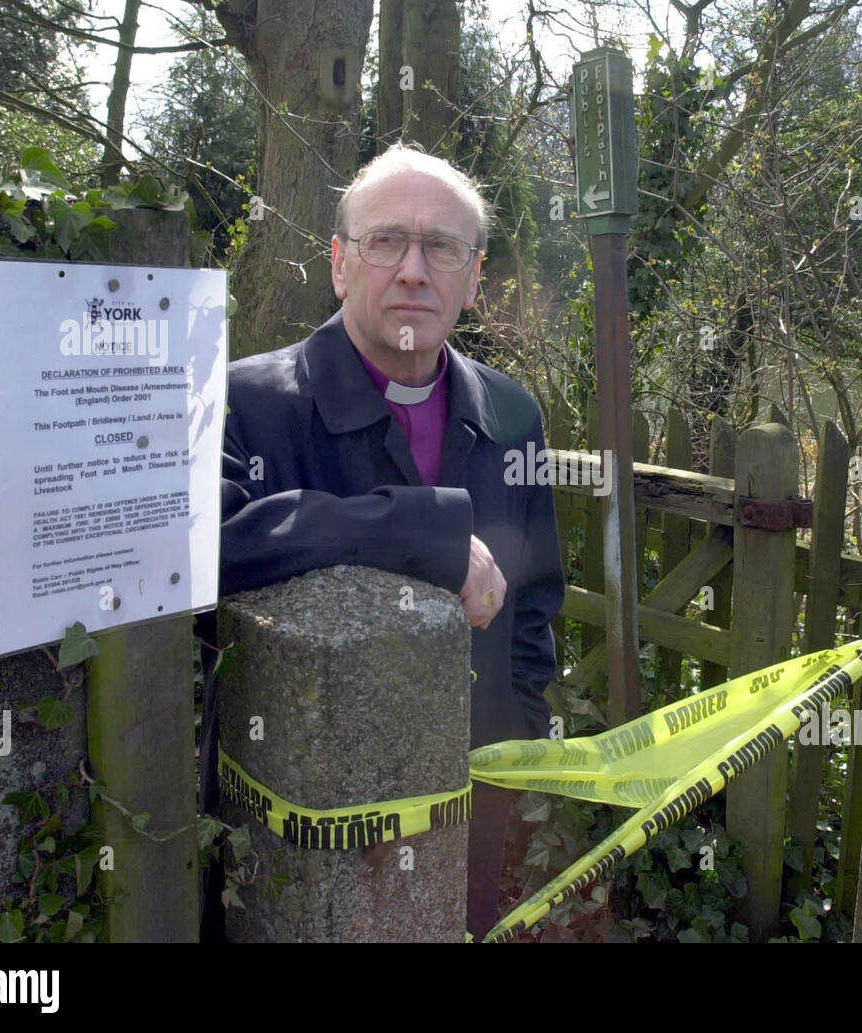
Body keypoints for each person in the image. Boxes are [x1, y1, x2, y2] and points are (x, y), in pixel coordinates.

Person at [198, 144, 565, 942]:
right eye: (385, 241)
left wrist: (518, 737)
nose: (412, 270)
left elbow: (534, 603)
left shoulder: (512, 414)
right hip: (298, 817)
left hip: (471, 801)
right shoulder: (248, 402)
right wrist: (413, 528)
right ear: (338, 263)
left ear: (472, 278)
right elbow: (209, 548)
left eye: (442, 247)